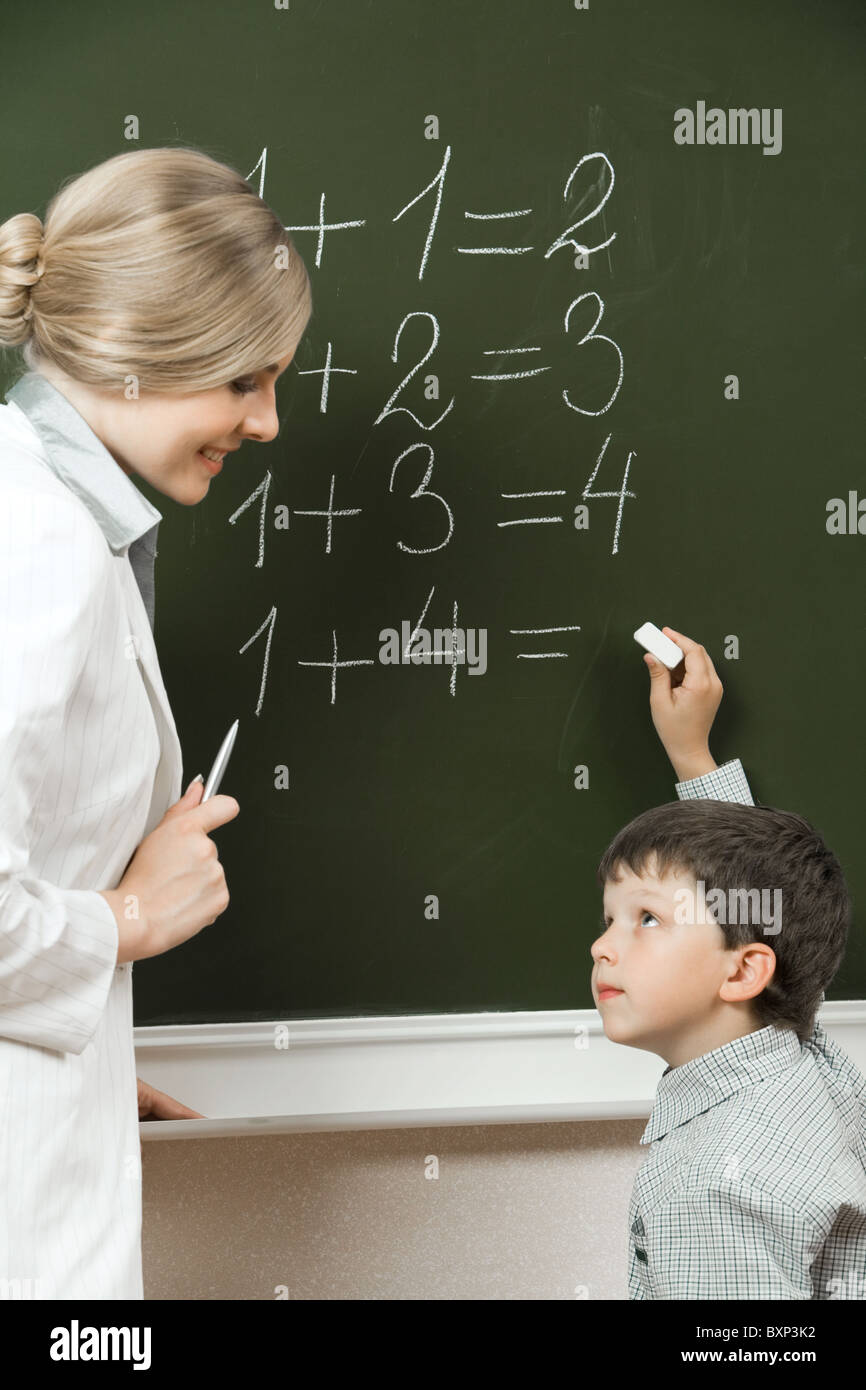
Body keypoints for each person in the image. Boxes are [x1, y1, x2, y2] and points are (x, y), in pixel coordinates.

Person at [0, 145, 311, 1298]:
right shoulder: (34, 542)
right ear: (143, 359)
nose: (269, 422)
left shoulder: (47, 509)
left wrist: (85, 1052)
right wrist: (130, 918)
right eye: (245, 380)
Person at [594, 628, 866, 1299]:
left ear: (744, 973)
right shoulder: (802, 1064)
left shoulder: (710, 1184)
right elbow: (766, 917)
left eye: (647, 919)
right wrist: (693, 757)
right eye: (610, 920)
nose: (602, 947)